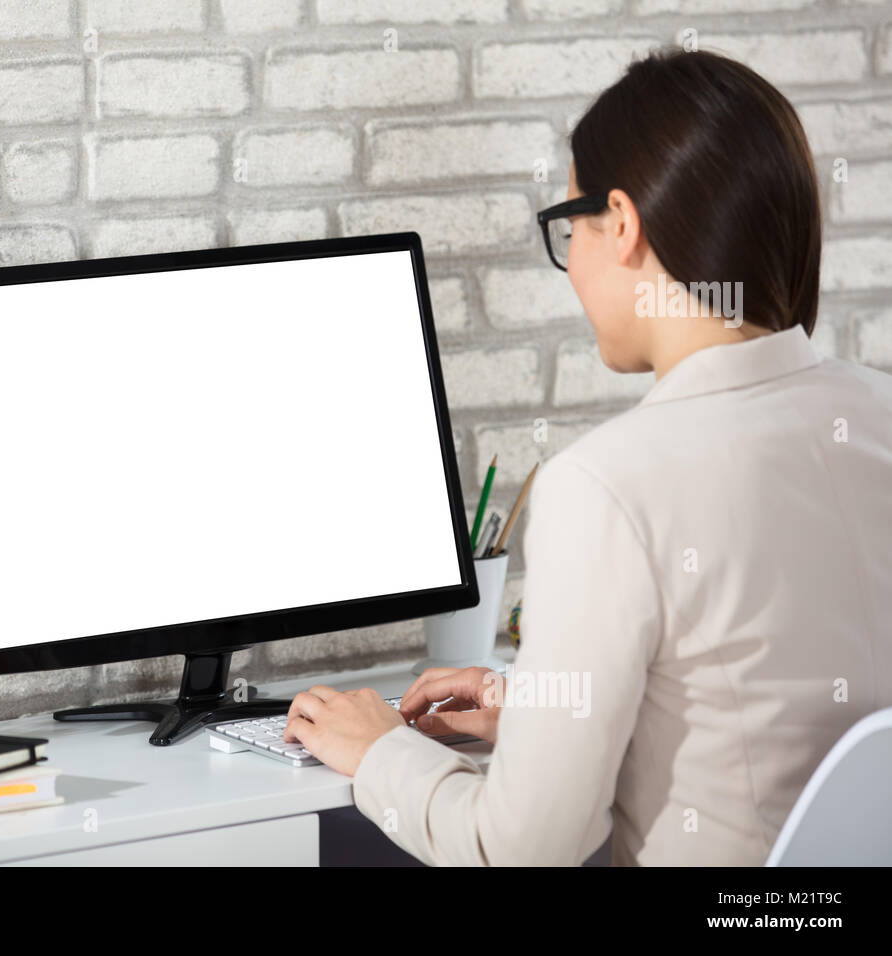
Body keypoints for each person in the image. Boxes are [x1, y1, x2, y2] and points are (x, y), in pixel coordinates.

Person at [281, 47, 892, 866]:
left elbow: (519, 848)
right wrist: (548, 713)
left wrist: (378, 749)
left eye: (571, 229)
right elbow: (772, 719)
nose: (573, 264)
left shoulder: (607, 488)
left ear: (624, 223)